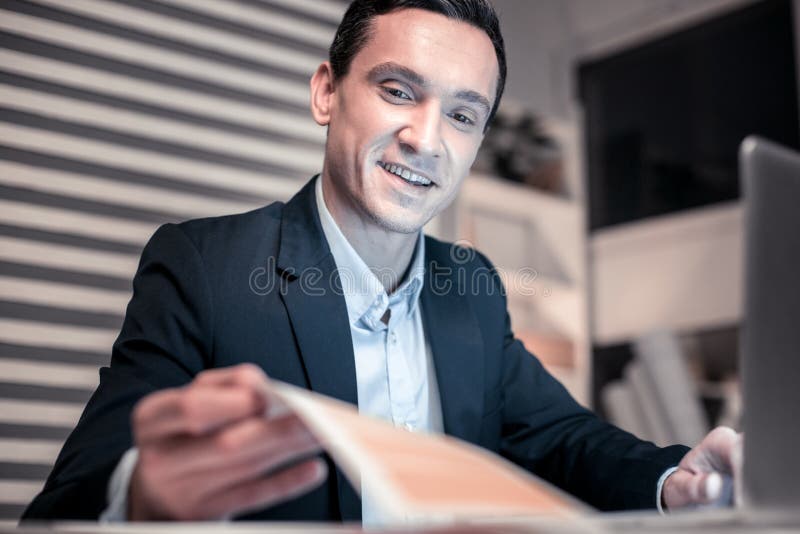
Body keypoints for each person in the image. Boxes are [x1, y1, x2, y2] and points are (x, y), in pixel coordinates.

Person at [22, 0, 740, 523]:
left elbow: (561, 436)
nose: (427, 139)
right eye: (398, 90)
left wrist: (674, 479)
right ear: (326, 92)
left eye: (462, 115)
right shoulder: (204, 267)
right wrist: (142, 498)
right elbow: (71, 501)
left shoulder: (473, 289)